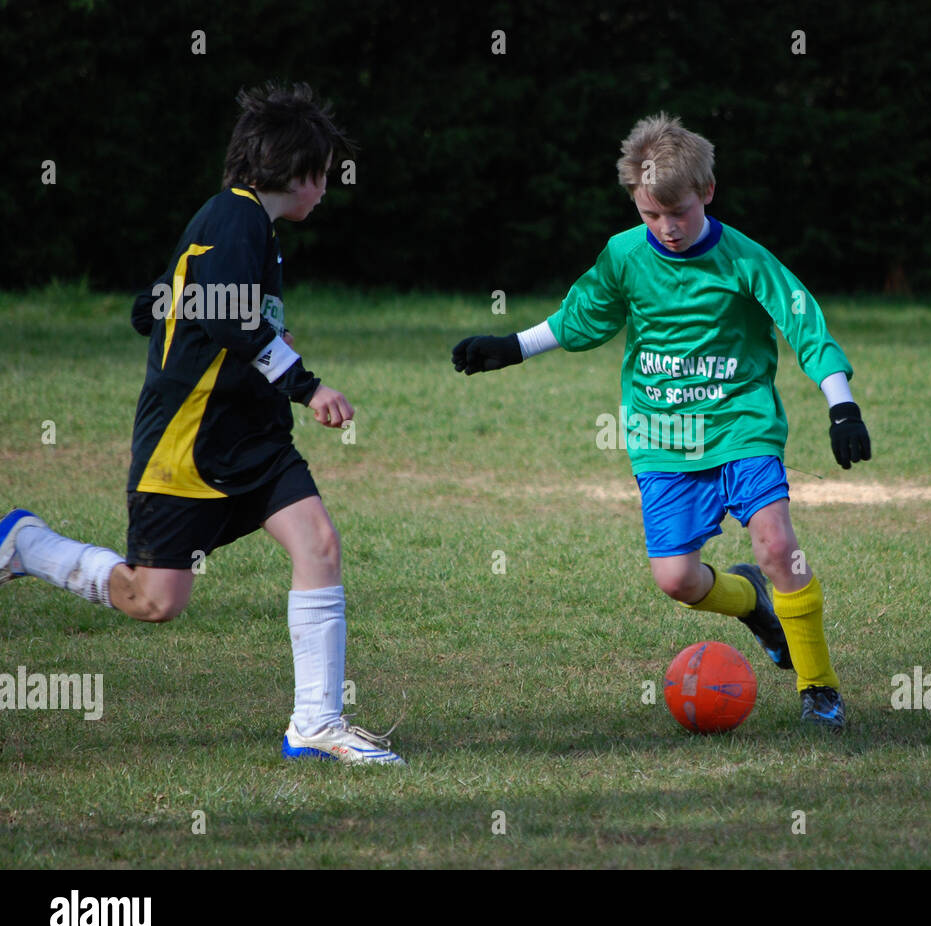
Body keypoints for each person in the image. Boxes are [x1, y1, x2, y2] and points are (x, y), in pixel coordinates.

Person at [0, 82, 403, 764]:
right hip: (188, 445)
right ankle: (28, 544)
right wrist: (308, 387)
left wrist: (161, 312)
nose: (327, 191)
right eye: (324, 176)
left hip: (256, 441)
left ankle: (315, 724)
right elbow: (224, 316)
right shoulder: (234, 217)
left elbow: (167, 299)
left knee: (319, 544)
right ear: (295, 171)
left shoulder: (244, 227)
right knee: (155, 601)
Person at [451, 113, 871, 729]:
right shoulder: (624, 256)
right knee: (677, 579)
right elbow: (581, 318)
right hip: (662, 435)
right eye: (651, 214)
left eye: (679, 212)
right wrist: (511, 347)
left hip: (739, 423)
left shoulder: (744, 259)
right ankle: (752, 600)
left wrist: (842, 405)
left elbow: (806, 327)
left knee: (780, 546)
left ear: (707, 192)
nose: (667, 229)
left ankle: (818, 687)